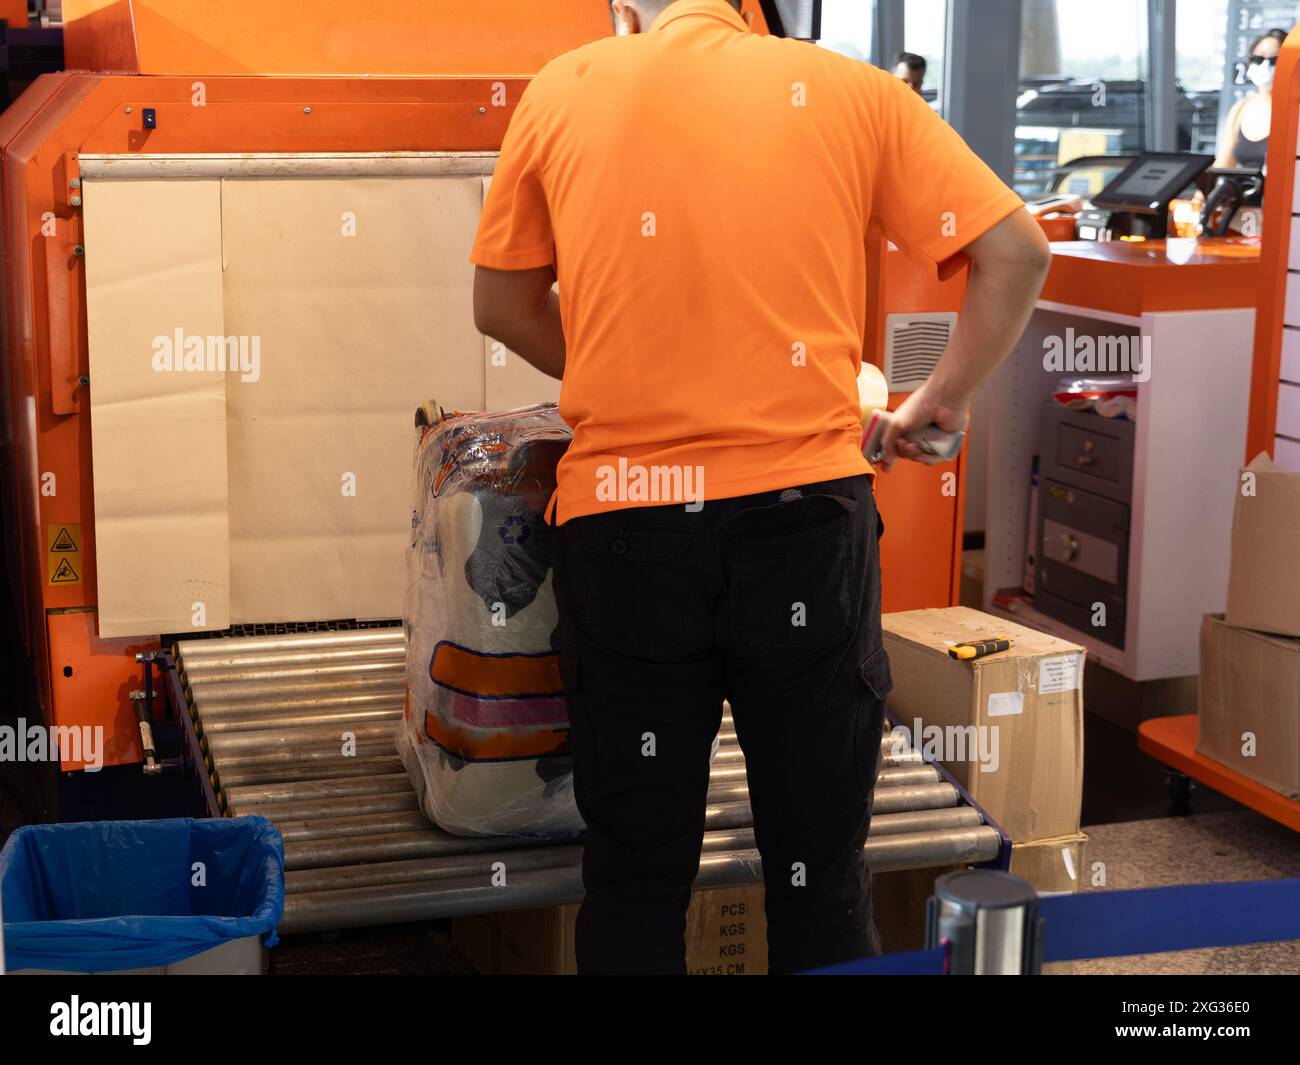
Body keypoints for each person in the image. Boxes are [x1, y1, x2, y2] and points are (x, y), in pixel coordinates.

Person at [470, 0, 1050, 975]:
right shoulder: (847, 89)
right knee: (816, 870)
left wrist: (619, 377)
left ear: (625, 12)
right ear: (749, 8)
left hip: (625, 528)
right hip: (801, 528)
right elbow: (1017, 250)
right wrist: (934, 409)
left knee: (634, 872)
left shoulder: (562, 89)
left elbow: (500, 303)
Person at [1215, 28, 1287, 169]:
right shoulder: (1241, 109)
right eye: (1258, 59)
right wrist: (1203, 190)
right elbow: (1223, 165)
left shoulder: (1295, 112)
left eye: (1274, 60)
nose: (1265, 66)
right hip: (1242, 189)